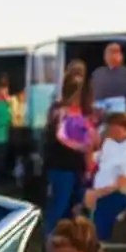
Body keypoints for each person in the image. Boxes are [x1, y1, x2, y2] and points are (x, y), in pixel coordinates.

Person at [43, 75, 94, 234]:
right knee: (59, 205)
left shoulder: (83, 113)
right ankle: (50, 239)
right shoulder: (60, 111)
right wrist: (81, 147)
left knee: (72, 207)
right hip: (61, 165)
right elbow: (61, 136)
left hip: (75, 166)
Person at [85, 112, 126, 241]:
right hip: (98, 193)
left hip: (115, 194)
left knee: (102, 226)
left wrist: (99, 193)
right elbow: (94, 161)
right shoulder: (108, 144)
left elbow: (125, 180)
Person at [90, 43, 126, 116]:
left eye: (116, 52)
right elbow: (93, 97)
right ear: (105, 56)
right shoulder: (97, 74)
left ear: (121, 56)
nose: (113, 56)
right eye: (110, 53)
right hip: (101, 116)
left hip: (122, 117)